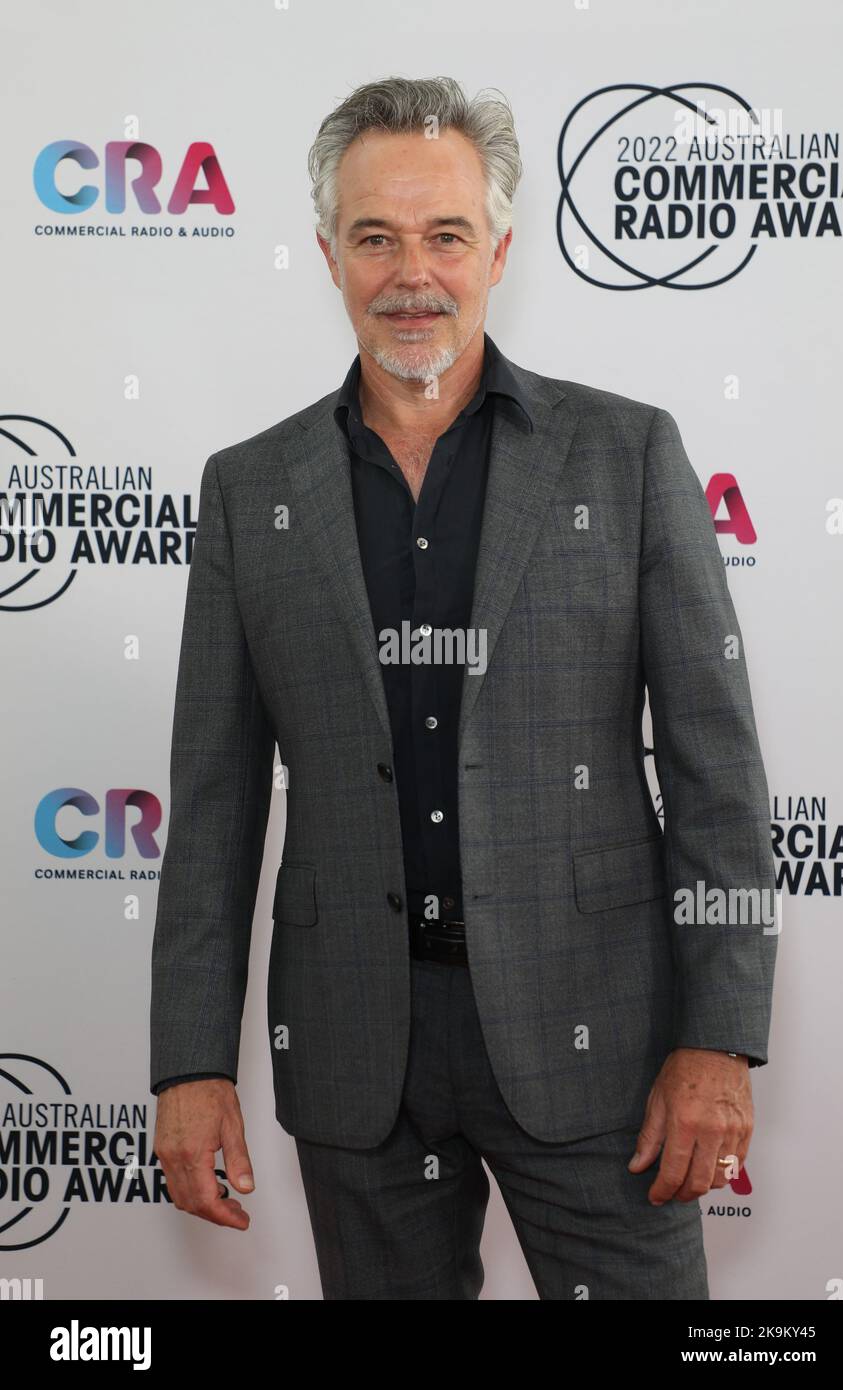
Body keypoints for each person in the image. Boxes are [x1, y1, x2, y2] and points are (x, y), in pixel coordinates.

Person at [150, 75, 778, 1300]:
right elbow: (214, 802)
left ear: (496, 248)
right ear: (327, 250)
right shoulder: (248, 491)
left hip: (593, 1035)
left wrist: (717, 1039)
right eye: (374, 236)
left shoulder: (626, 452)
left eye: (443, 235)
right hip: (352, 1050)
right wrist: (190, 1061)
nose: (410, 273)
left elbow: (717, 773)